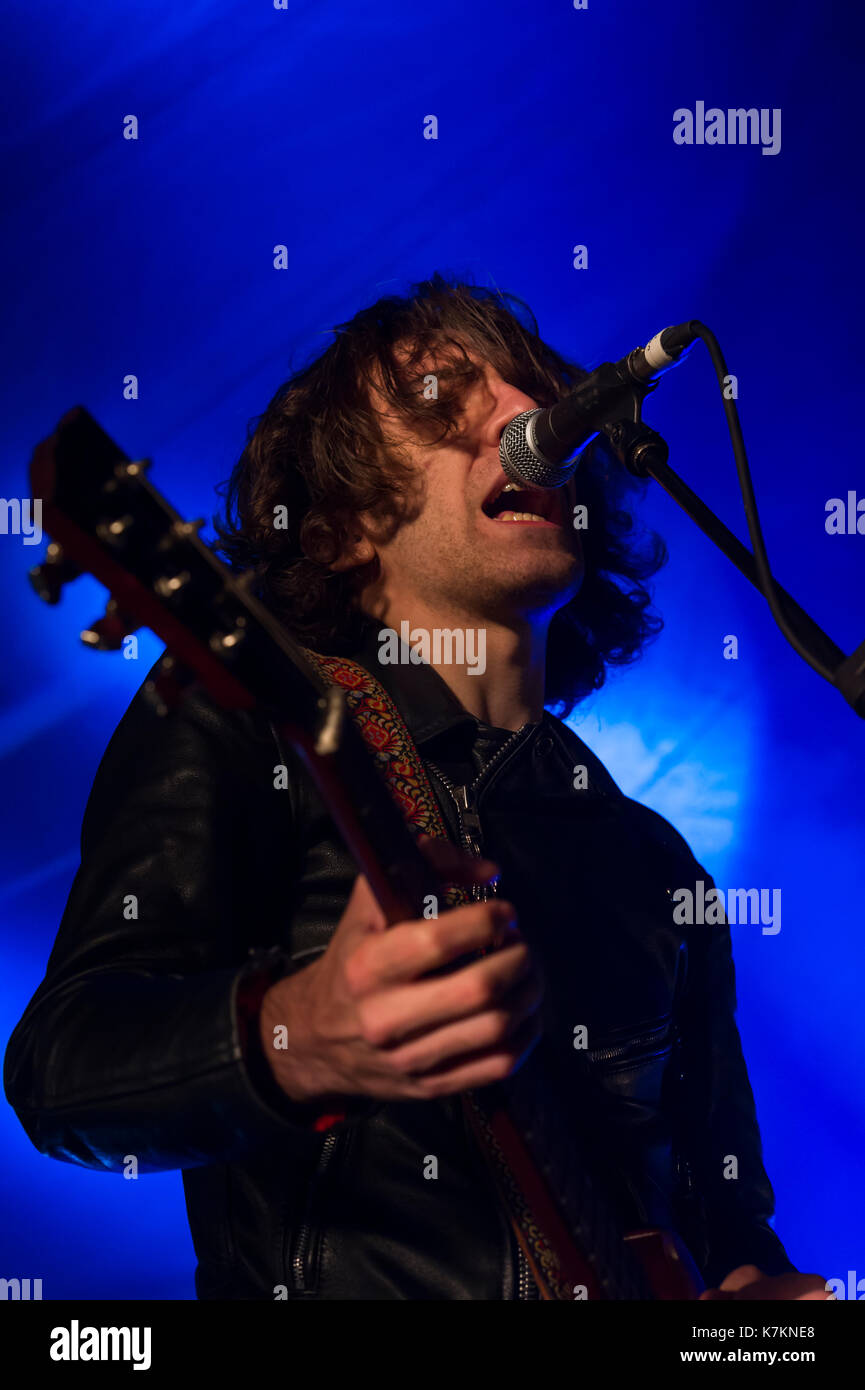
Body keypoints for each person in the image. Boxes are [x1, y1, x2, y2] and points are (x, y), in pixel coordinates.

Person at [4, 275, 826, 1300]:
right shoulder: (255, 727)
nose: (529, 418)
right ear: (338, 527)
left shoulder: (658, 867)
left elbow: (726, 1223)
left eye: (535, 393)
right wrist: (300, 1035)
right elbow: (60, 1069)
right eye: (443, 398)